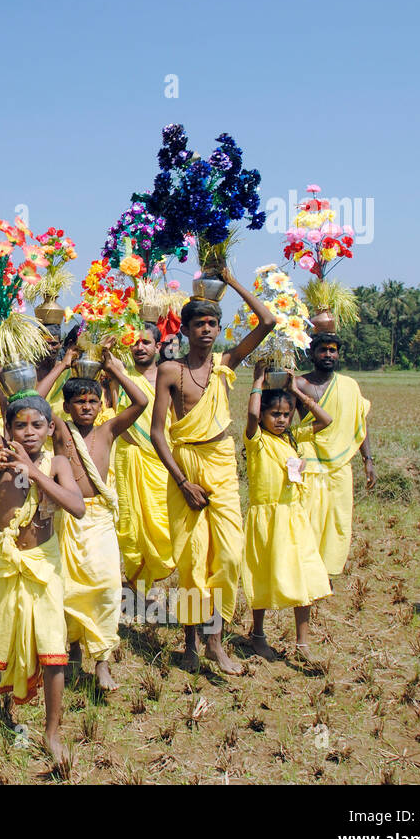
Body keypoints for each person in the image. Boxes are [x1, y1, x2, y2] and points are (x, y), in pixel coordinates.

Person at [150, 266, 276, 675]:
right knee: (192, 558)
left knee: (228, 554)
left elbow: (269, 322)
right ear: (185, 330)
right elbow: (157, 433)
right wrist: (182, 481)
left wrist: (233, 282)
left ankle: (215, 640)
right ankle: (193, 642)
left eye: (212, 323)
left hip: (221, 461)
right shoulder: (171, 371)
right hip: (185, 465)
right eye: (199, 323)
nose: (207, 329)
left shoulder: (226, 362)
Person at [0, 364, 86, 774]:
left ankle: (51, 731)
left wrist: (35, 471)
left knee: (52, 646)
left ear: (49, 427)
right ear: (7, 428)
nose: (28, 432)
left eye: (37, 425)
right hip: (9, 563)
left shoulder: (56, 464)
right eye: (19, 424)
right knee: (2, 630)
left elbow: (75, 506)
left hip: (44, 563)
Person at [39, 352, 147, 691]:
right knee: (68, 587)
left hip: (99, 519)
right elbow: (31, 401)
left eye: (92, 401)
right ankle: (72, 650)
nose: (86, 407)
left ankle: (102, 659)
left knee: (105, 586)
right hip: (67, 517)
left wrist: (115, 368)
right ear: (66, 406)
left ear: (101, 405)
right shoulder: (59, 431)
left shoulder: (108, 430)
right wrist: (61, 366)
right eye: (79, 401)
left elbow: (141, 401)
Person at [242, 365, 333, 662]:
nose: (281, 420)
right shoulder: (256, 440)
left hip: (293, 516)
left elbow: (325, 419)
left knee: (304, 575)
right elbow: (253, 416)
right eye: (275, 414)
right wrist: (258, 381)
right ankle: (258, 635)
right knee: (263, 575)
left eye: (286, 414)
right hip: (266, 519)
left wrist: (295, 392)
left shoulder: (292, 437)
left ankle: (302, 643)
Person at [293, 333, 375, 577]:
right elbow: (279, 417)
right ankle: (307, 570)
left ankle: (327, 571)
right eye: (323, 350)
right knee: (308, 518)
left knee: (337, 519)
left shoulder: (349, 386)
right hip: (309, 461)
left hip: (340, 464)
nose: (328, 355)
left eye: (333, 350)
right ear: (311, 353)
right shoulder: (298, 384)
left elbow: (360, 424)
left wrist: (368, 460)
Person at [113, 325, 176, 602]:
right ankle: (135, 584)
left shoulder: (171, 376)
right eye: (135, 342)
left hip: (162, 459)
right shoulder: (119, 377)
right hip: (130, 456)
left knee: (162, 519)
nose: (140, 347)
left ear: (157, 346)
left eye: (146, 342)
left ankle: (156, 573)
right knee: (131, 523)